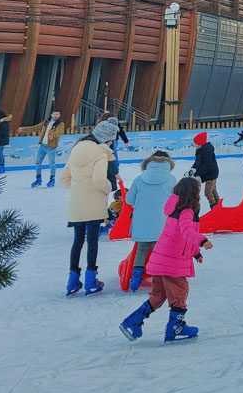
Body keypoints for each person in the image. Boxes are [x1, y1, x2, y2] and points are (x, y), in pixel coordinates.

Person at [119, 177, 212, 343]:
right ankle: (176, 328)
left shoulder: (173, 209)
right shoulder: (187, 211)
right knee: (180, 291)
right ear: (193, 194)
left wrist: (195, 253)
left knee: (158, 295)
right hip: (172, 262)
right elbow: (187, 232)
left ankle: (132, 322)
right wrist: (202, 241)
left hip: (160, 259)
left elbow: (178, 237)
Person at [63, 119, 119, 296]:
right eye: (111, 140)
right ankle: (90, 280)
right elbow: (99, 180)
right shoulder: (100, 153)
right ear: (106, 139)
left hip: (77, 203)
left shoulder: (77, 148)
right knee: (92, 241)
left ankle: (72, 281)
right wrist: (109, 188)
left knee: (78, 241)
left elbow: (64, 178)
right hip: (93, 202)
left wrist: (78, 188)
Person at [126, 150, 177, 291]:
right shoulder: (171, 179)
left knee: (141, 250)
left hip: (141, 222)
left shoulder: (139, 178)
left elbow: (129, 200)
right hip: (161, 223)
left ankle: (135, 280)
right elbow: (175, 201)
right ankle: (159, 280)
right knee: (159, 252)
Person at [20, 109, 64, 188]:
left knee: (52, 163)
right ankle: (38, 179)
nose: (56, 116)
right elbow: (36, 127)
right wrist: (24, 129)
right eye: (55, 114)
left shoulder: (60, 124)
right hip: (42, 146)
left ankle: (52, 179)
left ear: (59, 115)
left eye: (58, 114)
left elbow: (59, 132)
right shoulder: (46, 122)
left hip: (51, 147)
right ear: (51, 114)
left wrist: (53, 135)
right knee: (38, 163)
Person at [189, 132, 220, 208]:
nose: (194, 145)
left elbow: (206, 166)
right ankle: (218, 206)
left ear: (200, 143)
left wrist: (198, 174)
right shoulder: (200, 150)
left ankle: (214, 207)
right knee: (212, 190)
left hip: (211, 174)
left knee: (208, 192)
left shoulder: (206, 151)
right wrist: (193, 169)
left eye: (195, 143)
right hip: (209, 173)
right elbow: (197, 162)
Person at [0, 109, 12, 173]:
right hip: (1, 140)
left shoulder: (3, 122)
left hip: (1, 140)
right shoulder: (2, 121)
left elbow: (3, 132)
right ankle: (1, 166)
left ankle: (1, 167)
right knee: (0, 153)